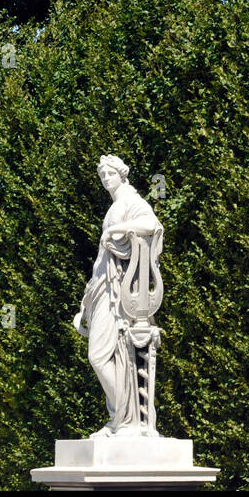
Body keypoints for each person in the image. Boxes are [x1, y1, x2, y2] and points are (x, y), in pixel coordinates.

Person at [71, 154, 163, 436]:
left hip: (116, 291)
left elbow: (152, 225)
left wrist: (118, 228)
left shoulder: (132, 202)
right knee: (109, 356)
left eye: (108, 174)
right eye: (101, 176)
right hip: (101, 287)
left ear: (121, 174)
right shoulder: (117, 205)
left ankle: (125, 420)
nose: (104, 180)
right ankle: (119, 419)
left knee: (99, 355)